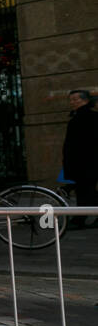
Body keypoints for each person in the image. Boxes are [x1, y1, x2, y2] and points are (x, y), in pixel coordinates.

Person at [63, 89, 98, 227]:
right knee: (85, 190)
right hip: (83, 161)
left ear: (86, 100)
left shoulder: (86, 117)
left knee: (85, 191)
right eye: (71, 99)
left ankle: (79, 219)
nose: (72, 102)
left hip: (85, 161)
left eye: (76, 99)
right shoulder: (79, 116)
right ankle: (80, 218)